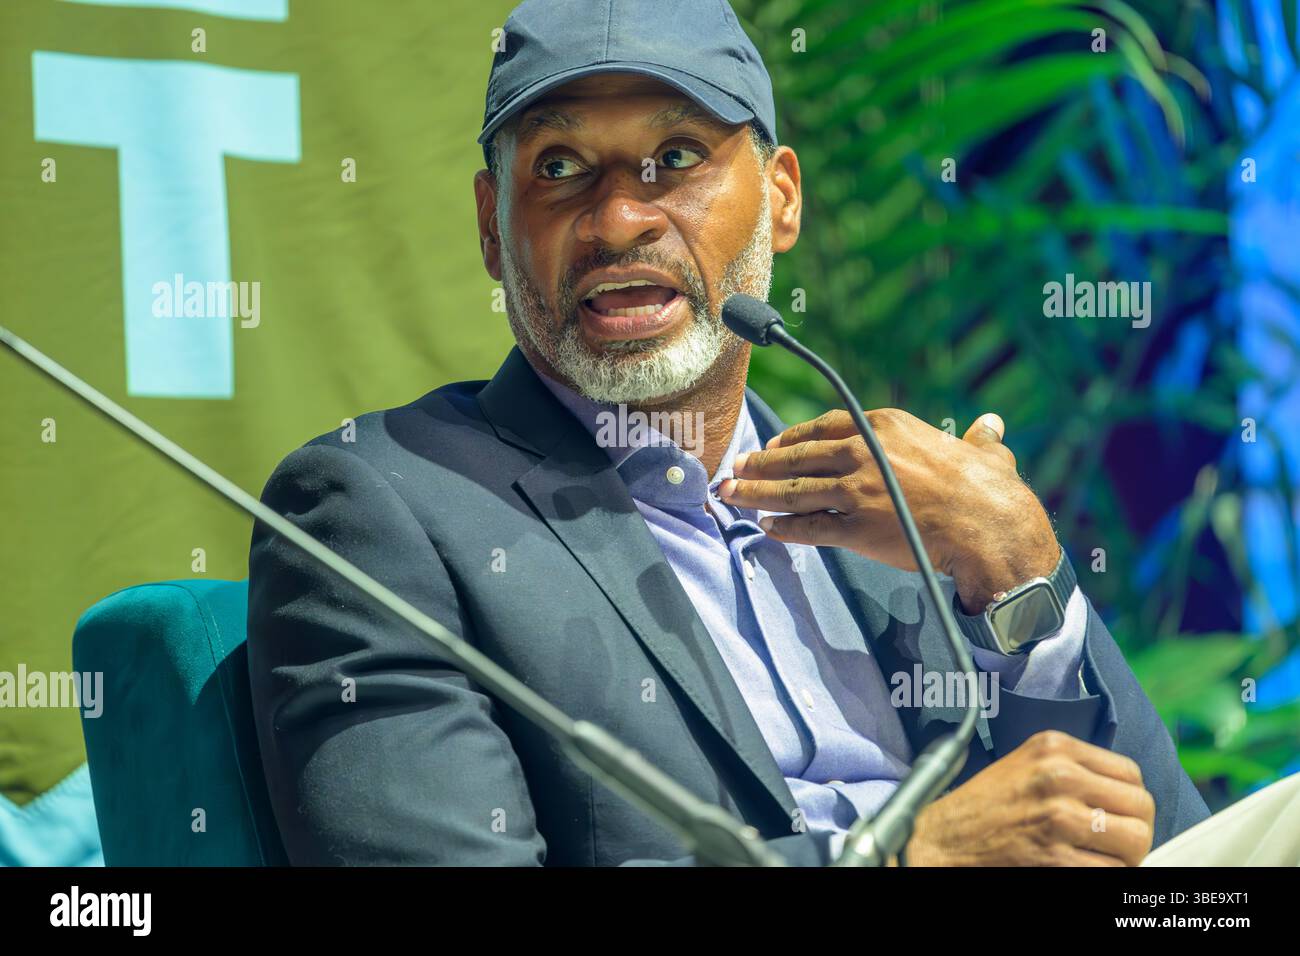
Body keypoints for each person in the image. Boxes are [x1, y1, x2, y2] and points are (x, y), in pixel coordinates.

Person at [247, 0, 1209, 866]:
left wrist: (1018, 564)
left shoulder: (906, 509)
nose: (620, 219)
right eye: (559, 167)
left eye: (676, 159)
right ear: (494, 231)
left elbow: (1183, 865)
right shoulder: (379, 508)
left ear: (782, 199)